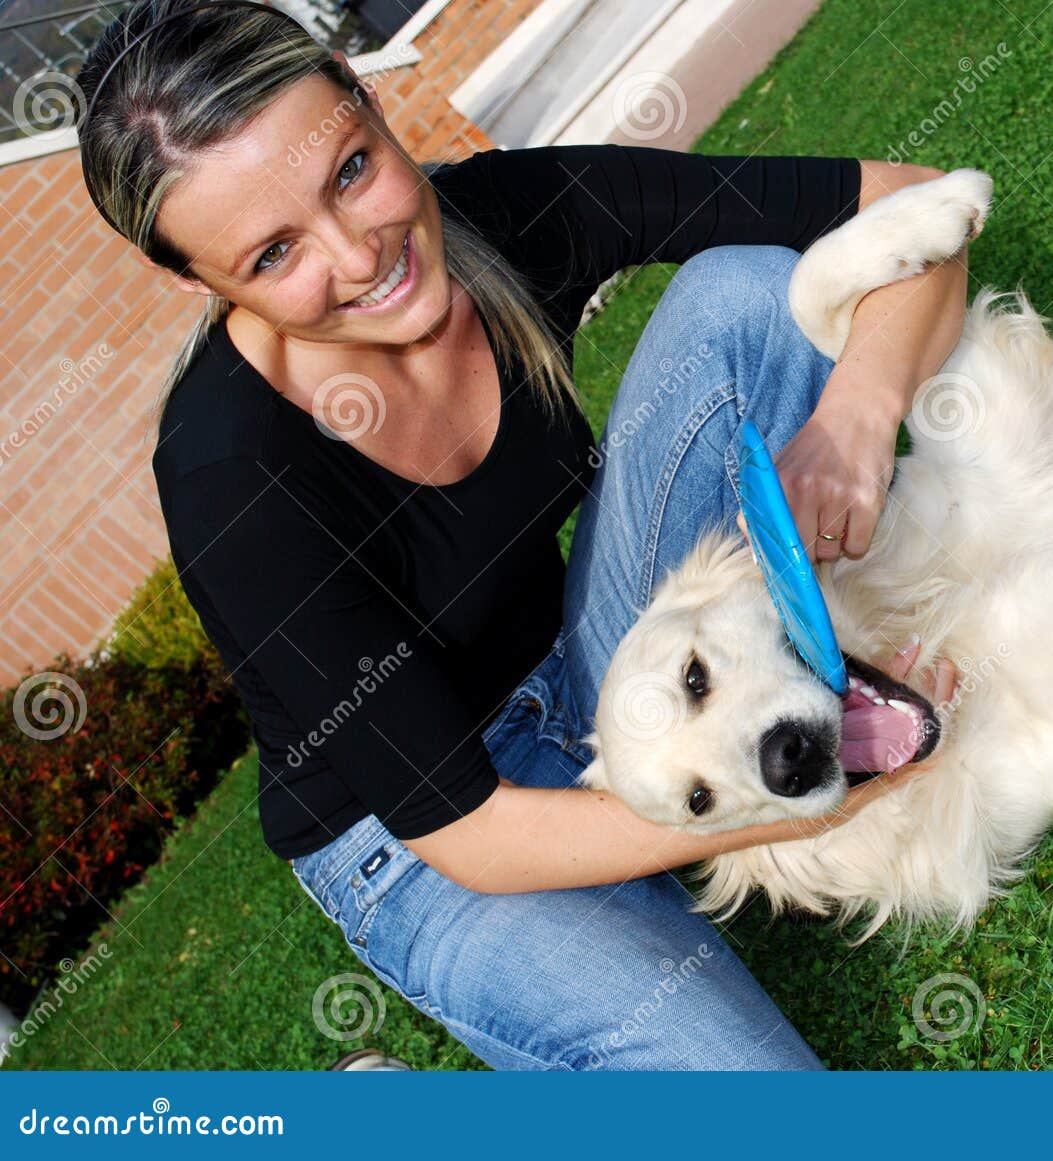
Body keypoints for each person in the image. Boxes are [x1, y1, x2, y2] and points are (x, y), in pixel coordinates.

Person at [76, 0, 967, 1070]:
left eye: (350, 171)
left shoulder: (499, 215)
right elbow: (473, 836)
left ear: (363, 95)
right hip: (426, 848)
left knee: (747, 292)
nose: (359, 256)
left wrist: (858, 415)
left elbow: (909, 208)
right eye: (273, 255)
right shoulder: (233, 479)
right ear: (199, 281)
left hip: (597, 675)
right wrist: (779, 807)